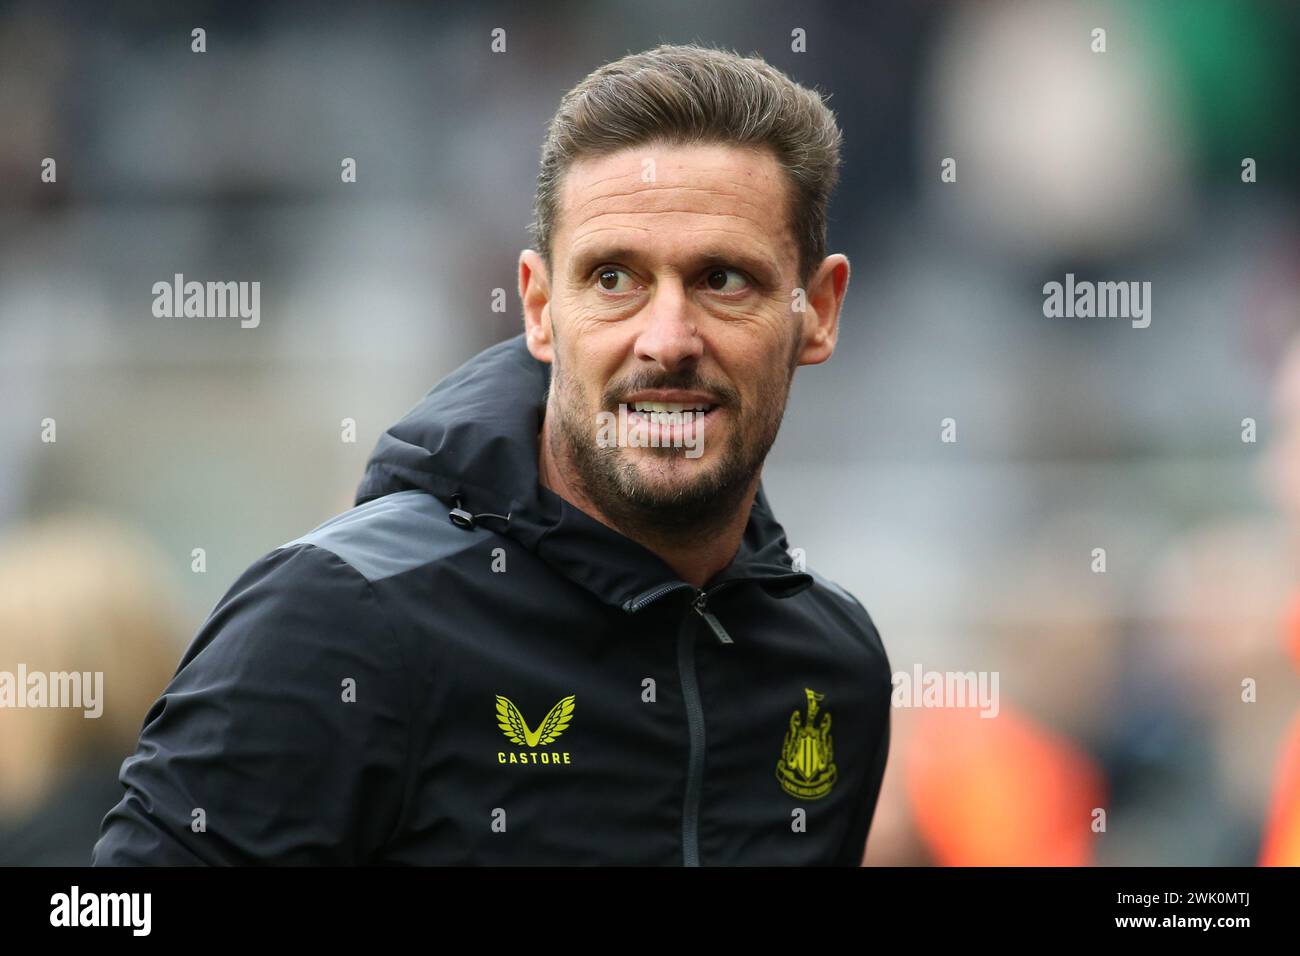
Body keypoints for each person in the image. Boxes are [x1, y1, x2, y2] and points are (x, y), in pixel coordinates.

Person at [92, 43, 892, 866]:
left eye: (724, 279)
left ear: (818, 310)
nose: (667, 340)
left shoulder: (832, 668)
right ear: (541, 310)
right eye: (614, 278)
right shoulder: (338, 618)